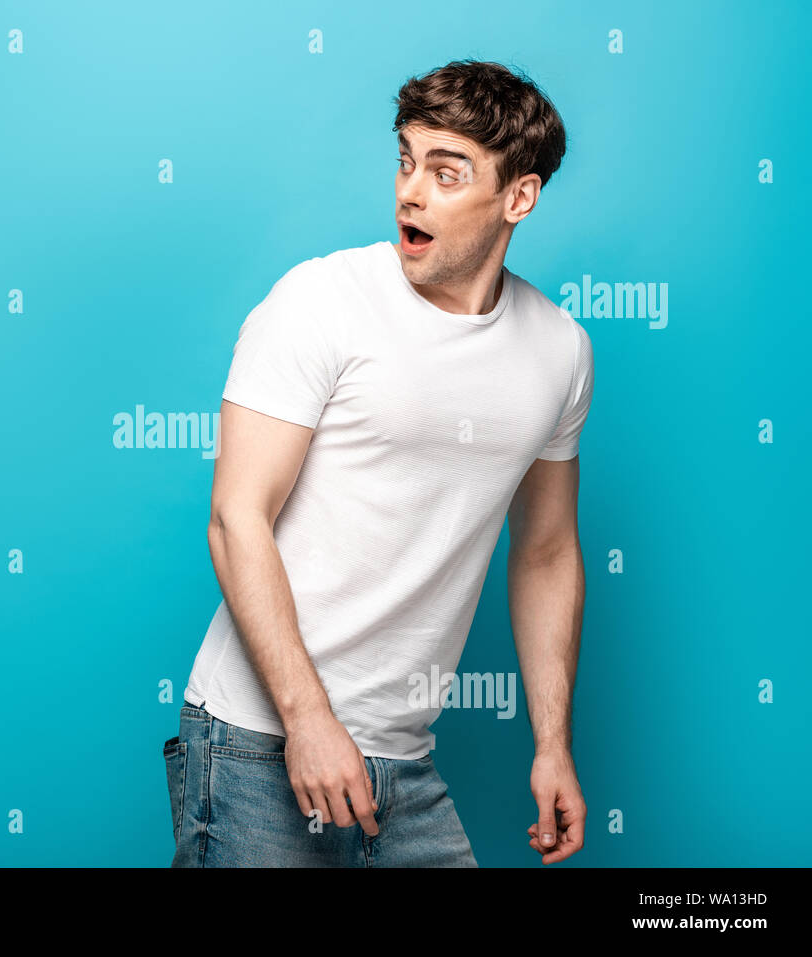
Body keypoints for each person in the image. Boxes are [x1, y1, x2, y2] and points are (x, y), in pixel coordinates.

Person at [163, 60, 592, 867]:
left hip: (404, 757)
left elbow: (545, 552)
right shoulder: (321, 300)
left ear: (518, 198)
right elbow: (235, 516)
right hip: (258, 741)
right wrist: (308, 720)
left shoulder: (559, 350)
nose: (411, 191)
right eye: (405, 160)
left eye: (445, 172)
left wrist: (550, 744)